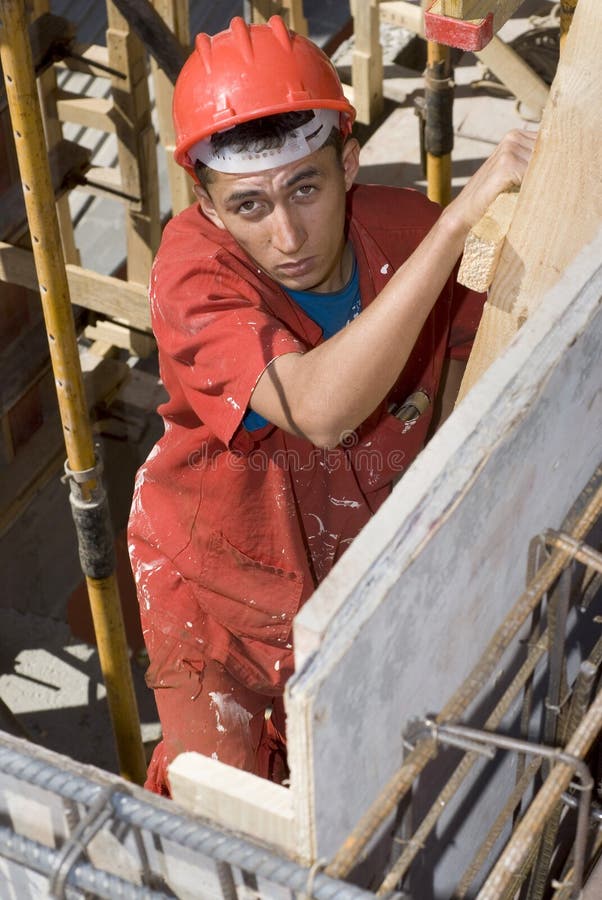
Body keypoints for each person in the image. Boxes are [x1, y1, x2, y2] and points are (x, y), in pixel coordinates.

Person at [128, 15, 535, 796]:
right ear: (210, 210)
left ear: (347, 164)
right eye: (249, 206)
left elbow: (468, 348)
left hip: (354, 570)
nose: (287, 234)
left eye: (305, 188)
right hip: (216, 593)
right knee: (222, 817)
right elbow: (319, 410)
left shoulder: (401, 232)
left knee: (361, 790)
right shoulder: (191, 276)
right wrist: (457, 223)